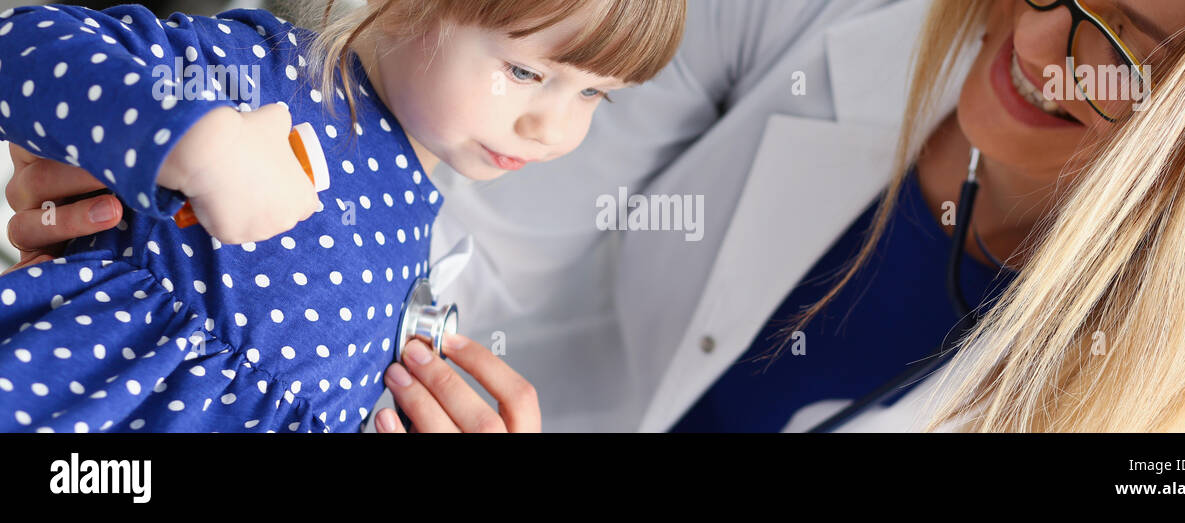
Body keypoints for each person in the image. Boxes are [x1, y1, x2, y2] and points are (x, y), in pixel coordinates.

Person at [12, 0, 1185, 433]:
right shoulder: (835, 24)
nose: (1025, 38)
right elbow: (451, 96)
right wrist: (180, 130)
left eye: (1122, 47)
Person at [0, 0, 685, 433]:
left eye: (596, 94)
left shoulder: (419, 236)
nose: (552, 128)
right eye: (527, 73)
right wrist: (195, 143)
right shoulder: (262, 77)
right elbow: (18, 45)